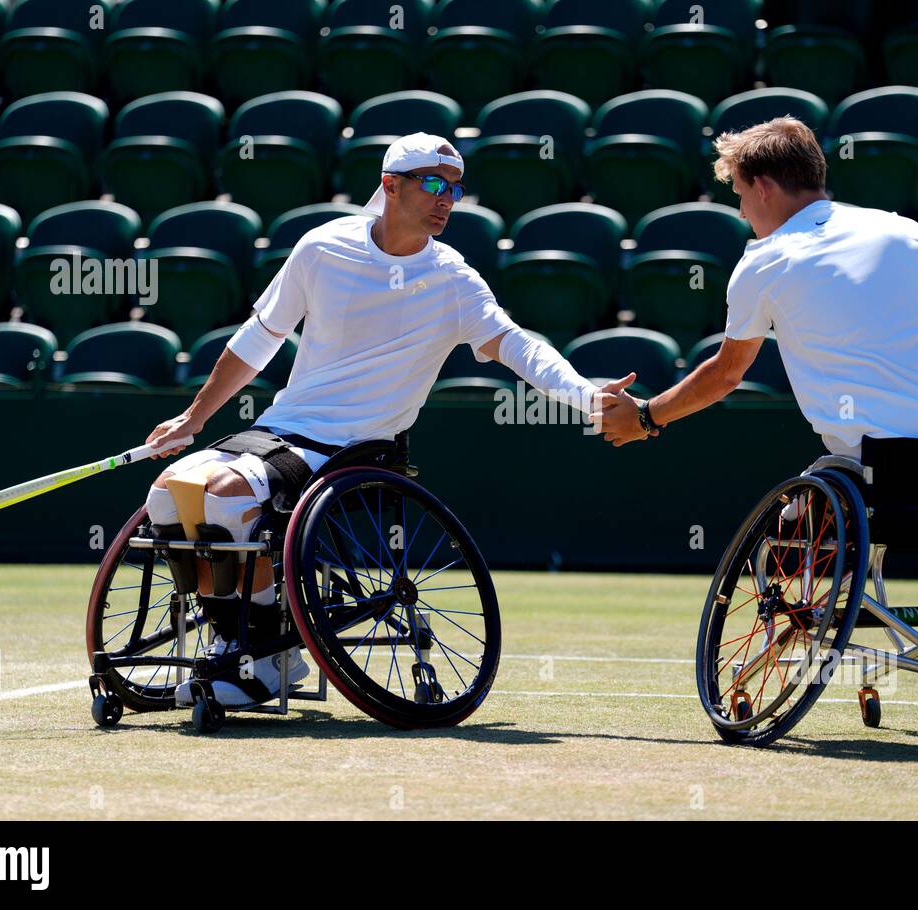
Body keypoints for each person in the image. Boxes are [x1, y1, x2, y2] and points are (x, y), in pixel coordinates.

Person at [143, 133, 633, 707]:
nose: (445, 198)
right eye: (431, 184)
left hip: (359, 447)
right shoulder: (322, 248)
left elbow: (519, 347)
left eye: (454, 188)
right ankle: (238, 638)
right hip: (283, 426)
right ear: (390, 185)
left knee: (225, 495)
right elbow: (259, 337)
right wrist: (192, 418)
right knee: (167, 496)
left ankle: (265, 659)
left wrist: (585, 395)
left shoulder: (454, 280)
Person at [597, 116, 918, 477]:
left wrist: (646, 416)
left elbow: (726, 376)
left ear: (763, 187)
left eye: (739, 194)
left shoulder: (763, 262)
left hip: (871, 470)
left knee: (791, 532)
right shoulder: (910, 232)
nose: (740, 211)